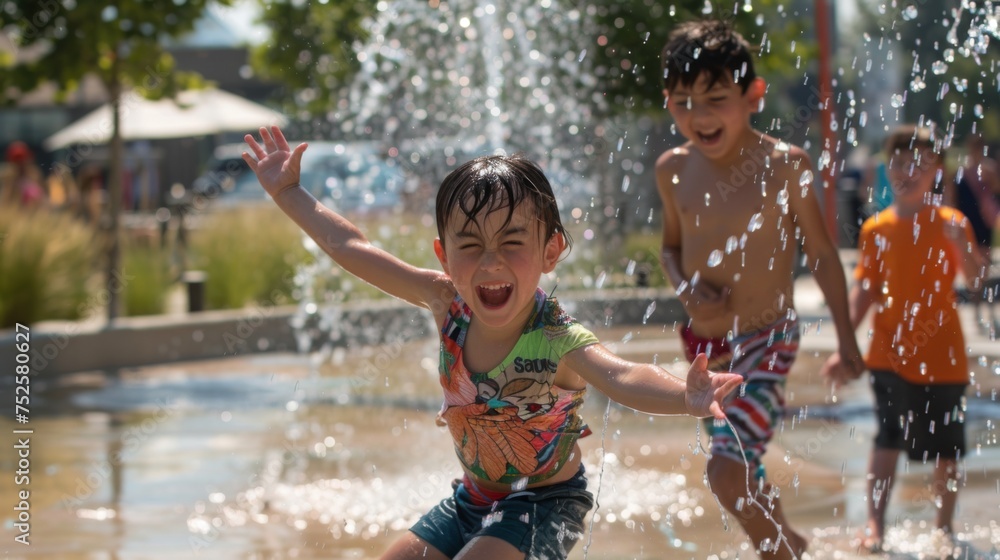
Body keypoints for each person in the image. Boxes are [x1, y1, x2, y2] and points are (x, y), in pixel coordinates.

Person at [242, 125, 744, 560]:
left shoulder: (556, 338)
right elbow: (353, 247)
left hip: (548, 506)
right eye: (470, 245)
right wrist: (289, 194)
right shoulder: (447, 304)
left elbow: (623, 375)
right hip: (472, 500)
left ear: (551, 250)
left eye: (511, 242)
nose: (490, 262)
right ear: (443, 254)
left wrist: (685, 395)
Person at [655, 19, 865, 559]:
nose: (698, 116)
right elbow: (669, 249)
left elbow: (821, 255)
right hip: (706, 345)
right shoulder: (673, 170)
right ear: (667, 100)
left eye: (716, 98)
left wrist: (847, 340)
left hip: (767, 341)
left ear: (753, 96)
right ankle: (788, 540)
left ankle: (780, 555)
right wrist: (683, 289)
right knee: (739, 463)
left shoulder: (784, 166)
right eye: (682, 102)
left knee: (726, 471)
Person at [849, 125, 986, 553]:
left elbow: (977, 282)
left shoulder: (951, 222)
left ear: (937, 172)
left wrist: (961, 248)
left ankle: (942, 525)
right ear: (887, 169)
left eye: (921, 165)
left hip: (944, 354)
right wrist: (845, 344)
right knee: (887, 438)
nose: (910, 171)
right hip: (887, 354)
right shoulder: (876, 229)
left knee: (949, 447)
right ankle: (875, 525)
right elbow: (866, 290)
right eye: (901, 163)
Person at [954, 133, 999, 331]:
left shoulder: (988, 168)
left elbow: (997, 188)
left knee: (984, 266)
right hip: (970, 221)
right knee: (973, 265)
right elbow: (956, 197)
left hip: (982, 221)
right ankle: (979, 309)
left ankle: (987, 308)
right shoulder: (963, 170)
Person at [0, 141, 47, 210]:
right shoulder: (7, 175)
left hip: (33, 211)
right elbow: (5, 199)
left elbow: (42, 195)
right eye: (16, 159)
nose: (20, 162)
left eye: (22, 158)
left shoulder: (34, 174)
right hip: (13, 211)